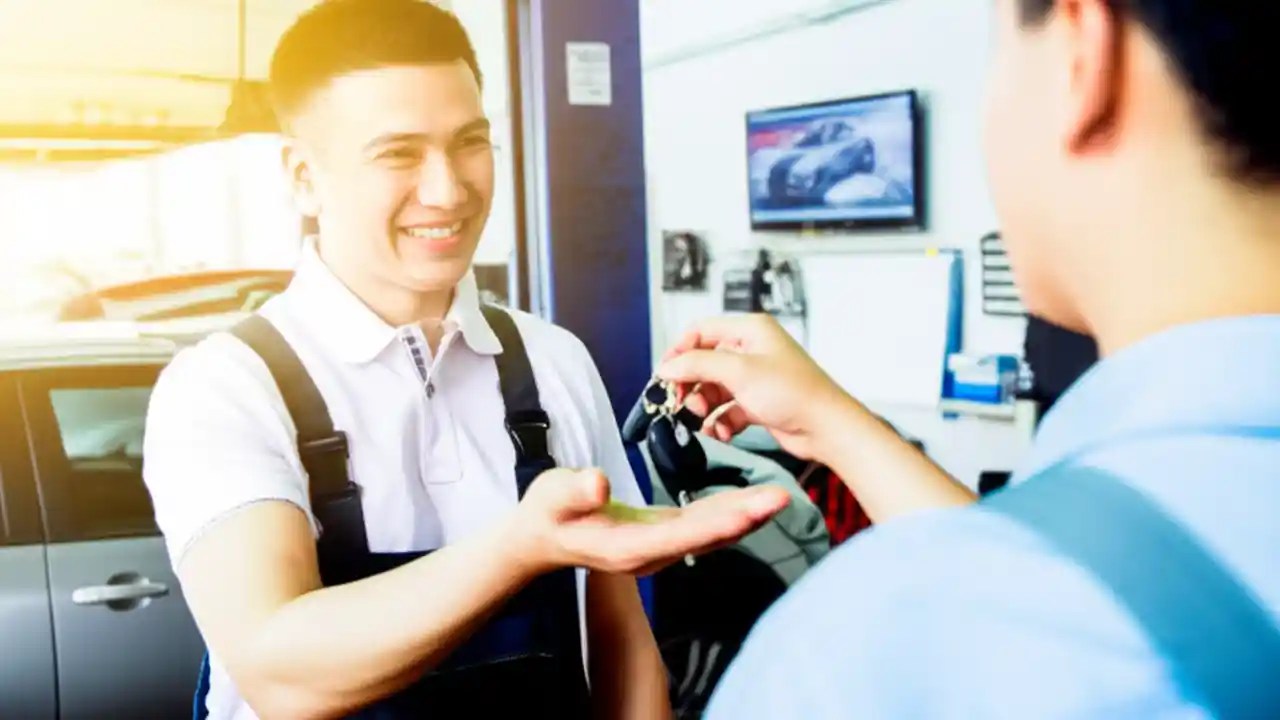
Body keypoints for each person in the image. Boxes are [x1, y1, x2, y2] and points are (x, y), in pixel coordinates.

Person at [141, 2, 788, 719]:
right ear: (302, 175)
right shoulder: (224, 387)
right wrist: (521, 548)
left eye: (470, 142)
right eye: (399, 153)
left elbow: (620, 640)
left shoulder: (552, 360)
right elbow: (283, 673)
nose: (448, 189)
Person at [657, 0, 1280, 717]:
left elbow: (1010, 599)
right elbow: (1058, 573)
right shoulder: (1005, 595)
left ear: (1083, 51)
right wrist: (833, 421)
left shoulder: (863, 649)